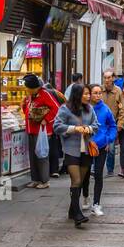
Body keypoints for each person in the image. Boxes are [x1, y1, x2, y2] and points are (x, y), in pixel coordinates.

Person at [53, 84, 98, 228]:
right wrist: (73, 128)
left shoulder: (89, 109)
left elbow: (96, 125)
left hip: (86, 150)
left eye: (89, 94)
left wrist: (88, 128)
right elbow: (57, 126)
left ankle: (72, 211)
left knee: (81, 180)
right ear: (77, 95)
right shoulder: (65, 109)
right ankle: (77, 214)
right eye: (85, 94)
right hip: (71, 150)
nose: (88, 96)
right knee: (76, 180)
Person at [80, 83, 117, 216]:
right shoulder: (84, 109)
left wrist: (109, 139)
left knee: (98, 174)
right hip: (86, 145)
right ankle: (85, 196)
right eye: (95, 93)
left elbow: (113, 126)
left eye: (99, 92)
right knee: (84, 174)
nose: (97, 95)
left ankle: (96, 203)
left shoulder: (106, 109)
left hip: (101, 146)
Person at [21, 75, 59, 189]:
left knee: (42, 155)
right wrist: (23, 105)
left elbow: (56, 108)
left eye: (27, 87)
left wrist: (46, 120)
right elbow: (27, 111)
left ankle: (44, 181)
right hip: (31, 129)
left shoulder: (45, 94)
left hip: (41, 131)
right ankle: (35, 179)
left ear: (33, 87)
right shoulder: (30, 96)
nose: (26, 89)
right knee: (33, 155)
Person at [98, 68, 124, 176]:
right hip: (99, 125)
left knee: (110, 149)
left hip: (112, 125)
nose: (107, 80)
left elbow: (122, 109)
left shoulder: (118, 91)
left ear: (113, 78)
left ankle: (110, 170)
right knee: (98, 146)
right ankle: (96, 168)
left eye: (109, 77)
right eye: (105, 77)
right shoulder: (99, 90)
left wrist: (120, 125)